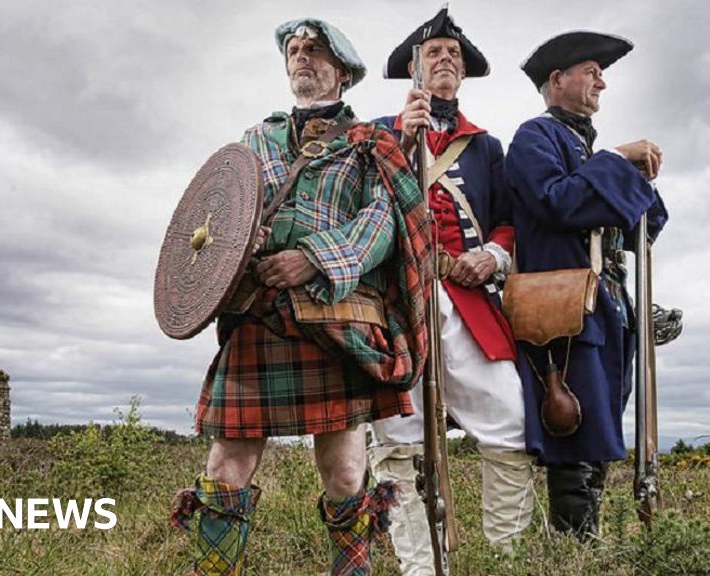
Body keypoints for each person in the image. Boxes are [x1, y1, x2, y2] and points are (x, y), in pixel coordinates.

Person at [169, 18, 432, 576]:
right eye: (294, 49)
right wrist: (238, 244)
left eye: (315, 51)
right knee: (226, 463)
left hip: (338, 318)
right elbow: (220, 217)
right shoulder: (254, 142)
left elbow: (385, 222)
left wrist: (313, 257)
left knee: (343, 468)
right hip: (260, 312)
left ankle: (352, 571)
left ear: (342, 71)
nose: (302, 58)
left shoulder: (371, 145)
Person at [368, 7, 535, 571]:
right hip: (398, 303)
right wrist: (399, 140)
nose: (445, 60)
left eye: (453, 55)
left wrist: (490, 255)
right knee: (397, 439)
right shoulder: (379, 135)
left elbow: (508, 220)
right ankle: (422, 567)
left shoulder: (486, 147)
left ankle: (505, 560)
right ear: (412, 69)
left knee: (510, 417)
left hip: (466, 302)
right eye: (434, 53)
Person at [504, 31, 669, 540]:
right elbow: (557, 201)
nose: (602, 81)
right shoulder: (534, 137)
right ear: (557, 80)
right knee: (571, 423)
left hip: (608, 305)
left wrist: (622, 174)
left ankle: (585, 544)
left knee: (600, 427)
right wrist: (617, 164)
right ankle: (573, 550)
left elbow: (649, 223)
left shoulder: (587, 148)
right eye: (591, 71)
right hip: (565, 308)